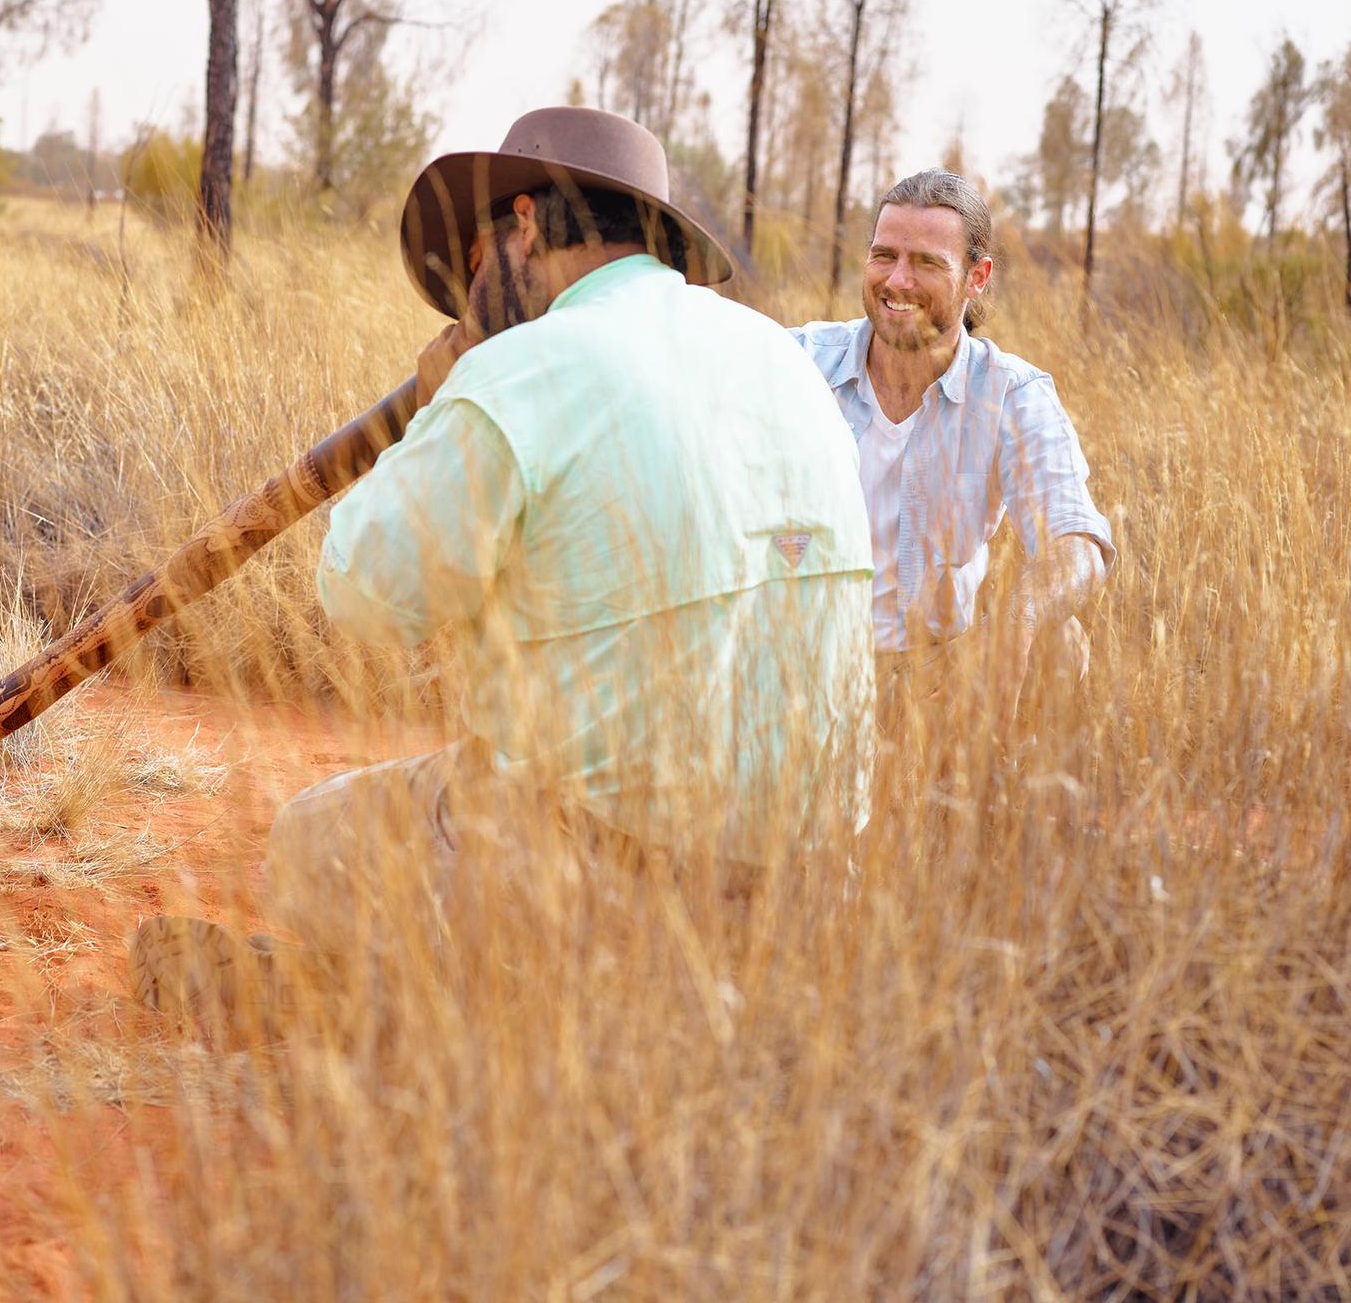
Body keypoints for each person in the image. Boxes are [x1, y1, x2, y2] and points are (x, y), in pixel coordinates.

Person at [132, 107, 876, 1026]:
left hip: (601, 881)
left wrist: (443, 409)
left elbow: (366, 597)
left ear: (524, 225)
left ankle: (417, 1018)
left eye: (473, 262)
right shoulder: (784, 356)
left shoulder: (524, 366)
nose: (468, 290)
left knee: (308, 843)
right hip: (808, 897)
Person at [789, 169, 1114, 735]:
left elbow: (1079, 542)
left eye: (927, 263)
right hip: (798, 665)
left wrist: (1016, 625)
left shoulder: (1010, 392)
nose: (898, 280)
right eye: (884, 256)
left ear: (977, 277)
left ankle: (989, 803)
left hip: (933, 674)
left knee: (1062, 643)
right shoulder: (799, 361)